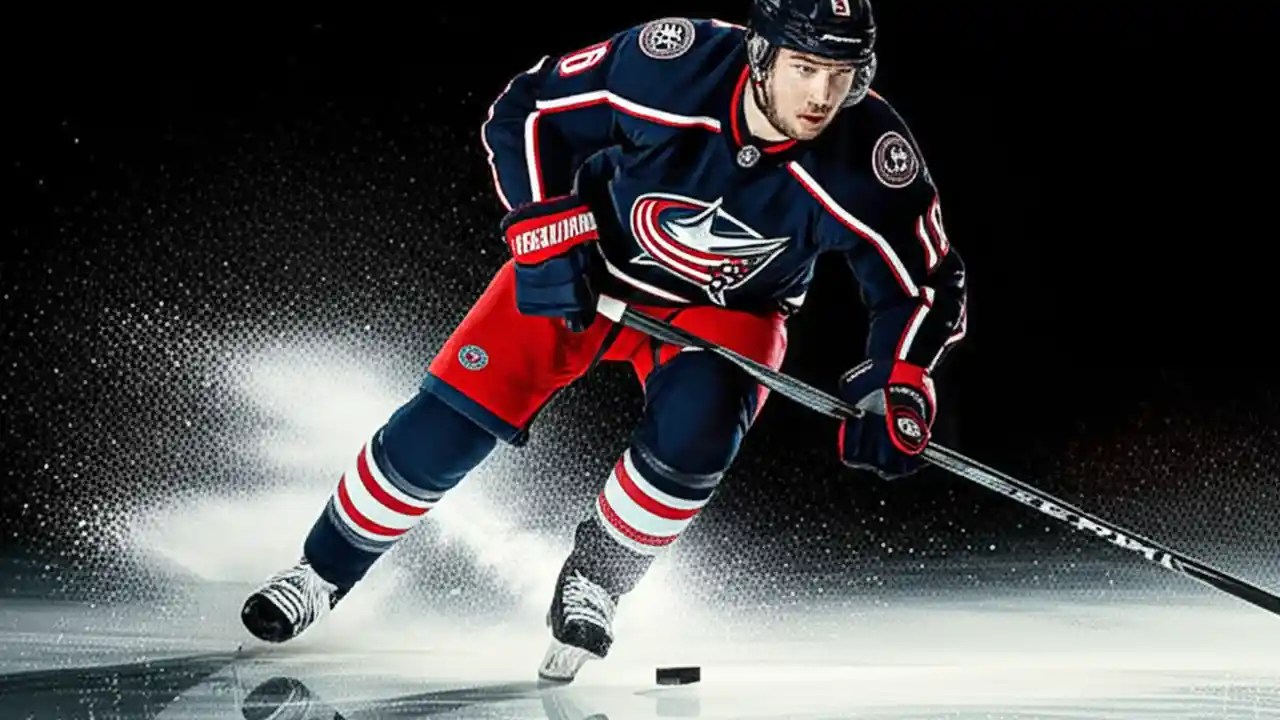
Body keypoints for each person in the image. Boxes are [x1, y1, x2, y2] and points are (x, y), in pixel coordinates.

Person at [239, 0, 967, 682]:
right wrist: (545, 229)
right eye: (805, 68)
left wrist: (896, 379)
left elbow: (924, 285)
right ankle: (321, 572)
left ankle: (595, 583)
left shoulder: (874, 159)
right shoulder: (671, 63)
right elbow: (528, 109)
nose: (820, 96)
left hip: (729, 312)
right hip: (593, 267)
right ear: (760, 53)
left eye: (841, 77)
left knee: (695, 438)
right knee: (443, 429)